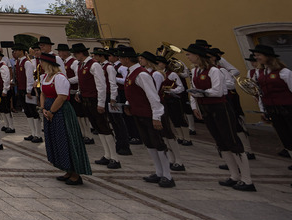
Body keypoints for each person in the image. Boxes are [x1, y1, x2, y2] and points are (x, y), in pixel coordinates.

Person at [186, 43, 254, 191]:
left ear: (197, 55)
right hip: (206, 107)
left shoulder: (215, 71)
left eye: (189, 54)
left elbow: (219, 91)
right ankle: (234, 175)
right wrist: (195, 105)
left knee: (231, 140)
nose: (188, 57)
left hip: (220, 107)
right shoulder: (195, 71)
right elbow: (193, 89)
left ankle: (247, 179)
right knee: (220, 142)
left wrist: (202, 92)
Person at [122, 47, 174, 188]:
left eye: (121, 58)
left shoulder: (141, 74)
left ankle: (167, 175)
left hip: (149, 114)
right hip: (139, 113)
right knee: (149, 143)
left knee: (158, 143)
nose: (119, 60)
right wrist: (128, 105)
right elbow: (133, 93)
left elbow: (152, 96)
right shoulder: (131, 73)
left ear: (126, 59)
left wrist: (156, 116)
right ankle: (159, 172)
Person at [39, 52, 91, 185]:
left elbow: (61, 97)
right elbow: (43, 94)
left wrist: (51, 111)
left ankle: (76, 173)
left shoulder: (60, 78)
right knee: (56, 140)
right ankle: (67, 169)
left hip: (61, 111)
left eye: (42, 62)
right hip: (49, 110)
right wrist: (43, 108)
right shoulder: (45, 77)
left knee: (67, 139)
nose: (40, 64)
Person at [73, 43, 121, 170]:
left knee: (104, 126)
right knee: (98, 127)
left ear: (81, 53)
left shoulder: (94, 65)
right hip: (86, 99)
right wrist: (79, 92)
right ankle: (107, 154)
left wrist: (101, 103)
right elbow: (81, 81)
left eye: (75, 53)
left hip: (95, 99)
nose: (74, 55)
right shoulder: (81, 65)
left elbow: (101, 85)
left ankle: (115, 157)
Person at [250, 44, 291, 161]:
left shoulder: (284, 72)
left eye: (258, 55)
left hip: (287, 107)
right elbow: (262, 94)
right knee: (285, 136)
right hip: (272, 108)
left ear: (268, 56)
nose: (256, 57)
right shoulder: (260, 73)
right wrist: (263, 110)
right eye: (255, 55)